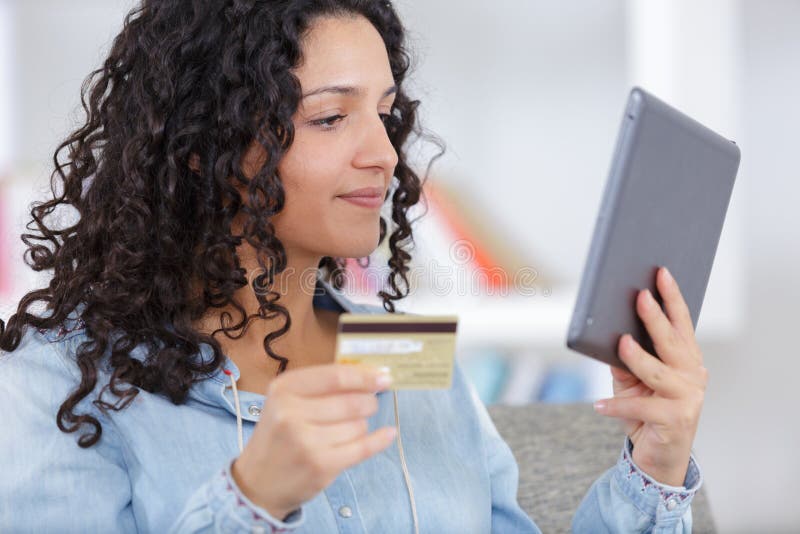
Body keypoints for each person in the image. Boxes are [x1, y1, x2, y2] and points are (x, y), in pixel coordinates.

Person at [0, 1, 707, 532]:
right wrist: (252, 500)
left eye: (386, 113)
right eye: (331, 118)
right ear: (201, 146)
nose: (385, 153)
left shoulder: (406, 354)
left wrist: (655, 464)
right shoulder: (57, 381)